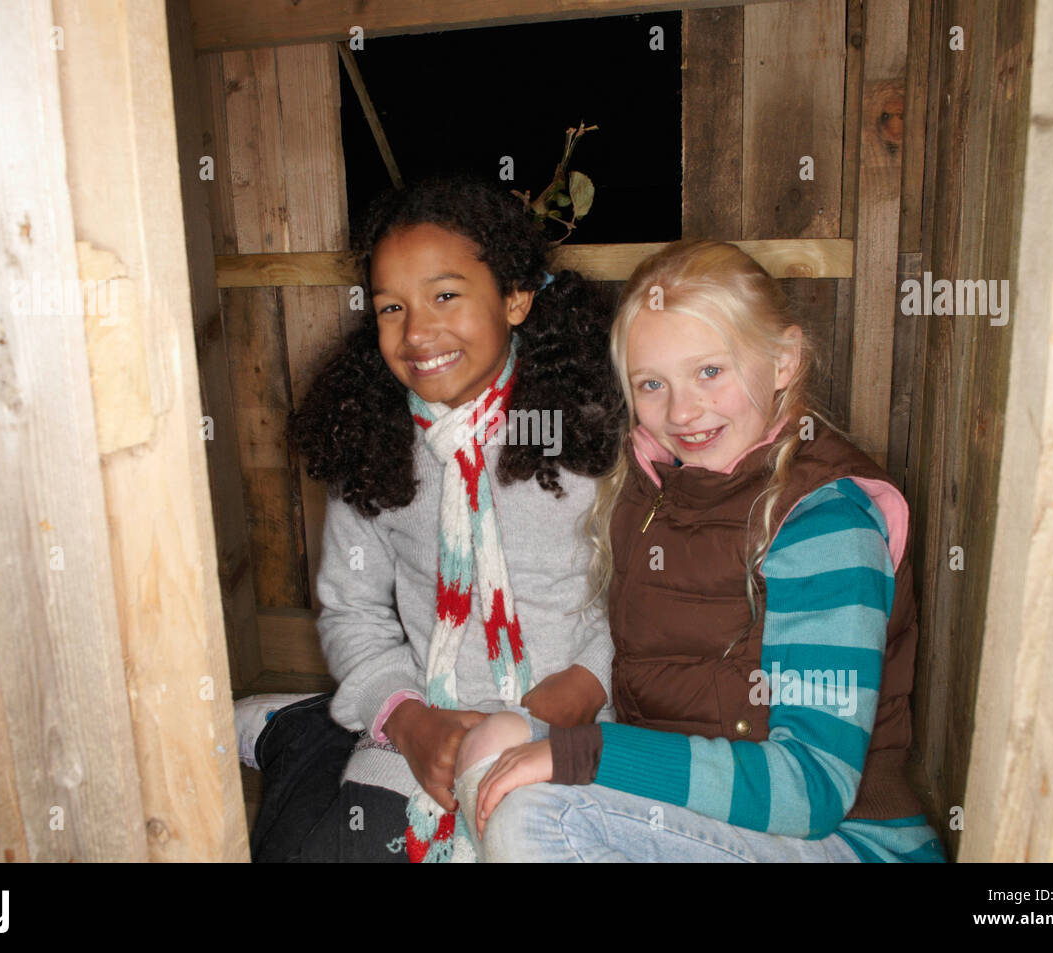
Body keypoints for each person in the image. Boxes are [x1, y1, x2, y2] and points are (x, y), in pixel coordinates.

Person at [463, 239, 947, 862]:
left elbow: (813, 788)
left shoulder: (827, 524)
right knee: (494, 739)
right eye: (651, 383)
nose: (682, 411)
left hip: (841, 840)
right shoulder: (655, 489)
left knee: (539, 819)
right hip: (713, 818)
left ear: (783, 361)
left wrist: (588, 754)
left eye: (709, 371)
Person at [249, 177, 624, 862]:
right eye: (391, 306)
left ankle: (303, 729)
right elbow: (352, 610)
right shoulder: (374, 445)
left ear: (515, 295)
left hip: (578, 721)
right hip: (428, 730)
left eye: (445, 295)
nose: (417, 332)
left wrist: (587, 684)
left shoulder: (586, 430)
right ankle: (296, 733)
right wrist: (410, 720)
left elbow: (636, 588)